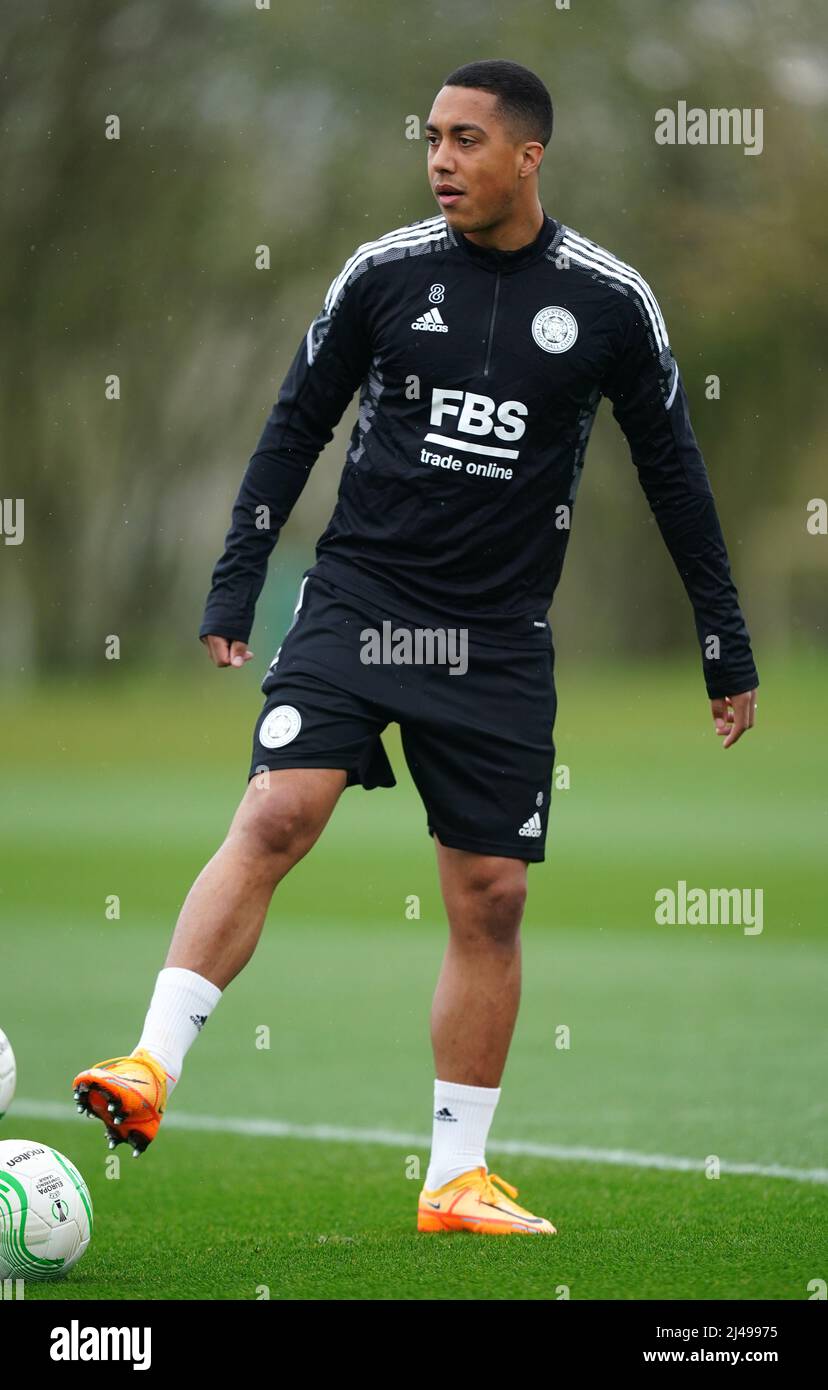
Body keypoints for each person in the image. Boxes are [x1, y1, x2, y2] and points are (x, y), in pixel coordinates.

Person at [72, 58, 758, 1237]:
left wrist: (723, 639)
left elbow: (675, 474)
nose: (439, 158)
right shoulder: (385, 274)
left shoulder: (607, 301)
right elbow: (296, 422)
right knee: (281, 809)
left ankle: (456, 1176)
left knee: (489, 897)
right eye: (432, 136)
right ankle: (150, 1063)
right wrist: (237, 580)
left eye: (466, 139)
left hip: (496, 640)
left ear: (528, 155)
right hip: (361, 599)